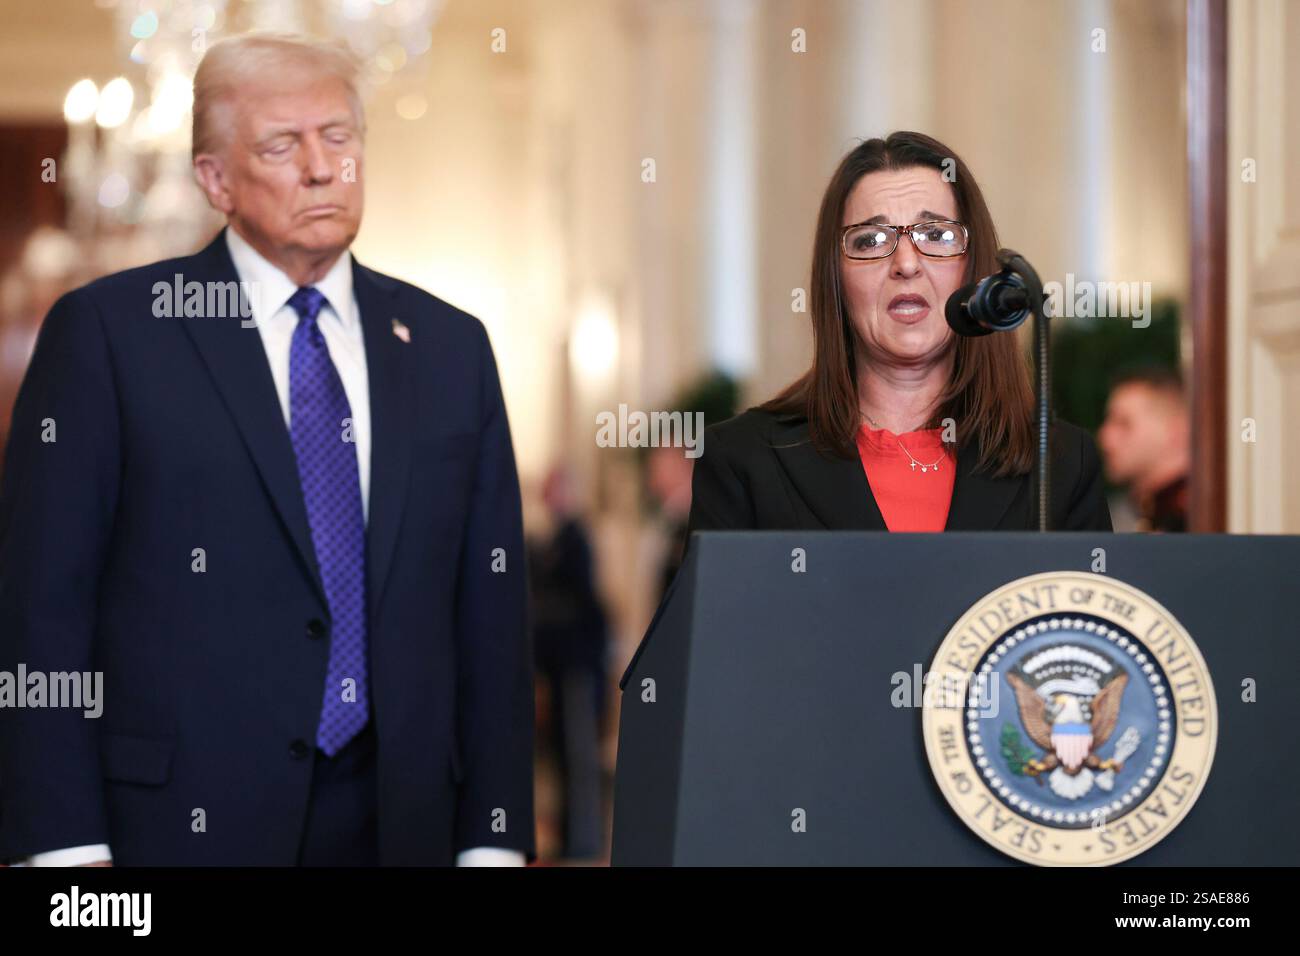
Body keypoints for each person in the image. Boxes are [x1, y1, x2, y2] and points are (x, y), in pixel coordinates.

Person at [0, 34, 534, 866]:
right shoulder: (112, 336)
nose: (323, 168)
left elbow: (491, 618)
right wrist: (67, 856)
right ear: (214, 179)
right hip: (176, 831)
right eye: (283, 145)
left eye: (340, 137)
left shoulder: (449, 347)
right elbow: (40, 613)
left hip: (407, 826)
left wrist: (494, 844)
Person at [688, 131, 1111, 534]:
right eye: (870, 240)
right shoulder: (742, 460)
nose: (906, 263)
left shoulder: (1061, 464)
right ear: (835, 278)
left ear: (974, 267)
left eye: (938, 235)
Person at [1097, 365, 1189, 532]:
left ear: (1177, 431)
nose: (1105, 438)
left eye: (1124, 423)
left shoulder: (1205, 516)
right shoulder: (1116, 515)